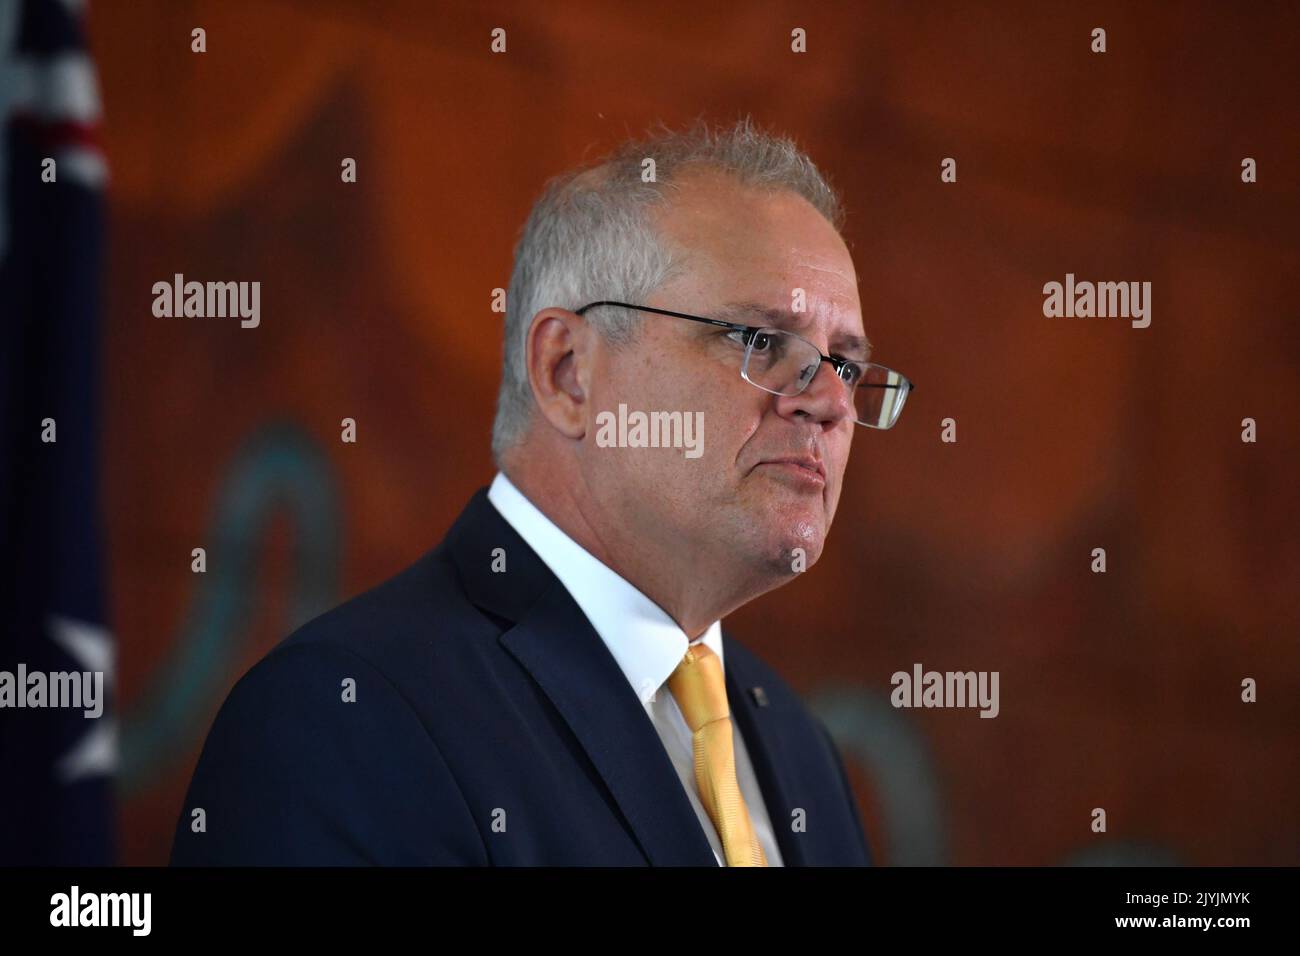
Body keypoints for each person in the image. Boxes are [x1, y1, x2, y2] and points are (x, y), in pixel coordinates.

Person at [170, 115, 914, 866]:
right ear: (567, 371)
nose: (830, 402)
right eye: (760, 341)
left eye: (846, 364)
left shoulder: (800, 752)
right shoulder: (340, 717)